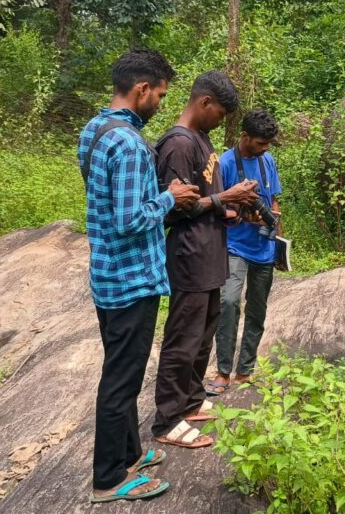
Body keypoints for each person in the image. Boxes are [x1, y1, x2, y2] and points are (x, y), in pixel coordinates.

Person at [78, 49, 200, 504]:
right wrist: (170, 197)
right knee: (121, 381)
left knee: (121, 369)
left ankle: (129, 453)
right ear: (142, 89)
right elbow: (130, 219)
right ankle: (109, 479)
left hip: (107, 275)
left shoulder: (95, 130)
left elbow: (109, 205)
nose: (161, 104)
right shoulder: (129, 145)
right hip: (131, 280)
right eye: (160, 95)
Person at [150, 70, 257, 449]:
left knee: (203, 335)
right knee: (183, 337)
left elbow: (203, 199)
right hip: (190, 255)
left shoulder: (202, 138)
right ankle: (166, 418)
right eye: (220, 113)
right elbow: (171, 209)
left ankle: (191, 401)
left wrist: (228, 207)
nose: (222, 121)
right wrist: (222, 200)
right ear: (204, 102)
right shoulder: (178, 144)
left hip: (212, 251)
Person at [207, 109, 282, 396]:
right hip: (234, 245)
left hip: (264, 247)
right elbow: (217, 205)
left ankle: (245, 370)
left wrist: (278, 241)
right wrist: (239, 215)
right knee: (227, 302)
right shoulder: (225, 163)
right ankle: (223, 371)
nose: (264, 149)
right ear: (245, 137)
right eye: (260, 143)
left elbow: (273, 203)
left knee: (257, 309)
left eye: (268, 145)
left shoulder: (268, 161)